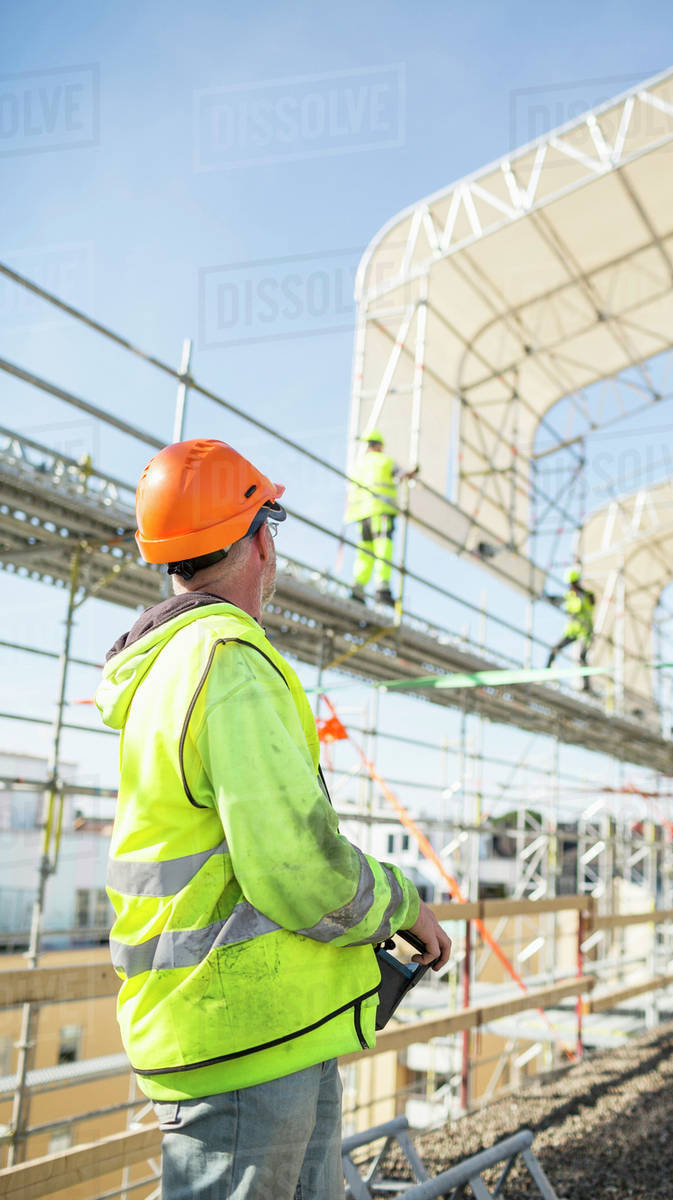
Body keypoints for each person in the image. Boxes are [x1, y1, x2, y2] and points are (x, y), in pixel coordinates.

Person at [95, 438, 450, 1200]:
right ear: (261, 537)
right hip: (240, 1035)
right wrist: (407, 903)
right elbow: (298, 871)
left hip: (257, 1029)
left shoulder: (170, 663)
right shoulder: (228, 660)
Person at [344, 429, 416, 605]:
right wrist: (414, 471)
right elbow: (403, 475)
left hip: (361, 514)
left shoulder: (358, 466)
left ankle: (357, 589)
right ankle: (382, 589)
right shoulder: (385, 461)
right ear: (379, 446)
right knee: (383, 547)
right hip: (380, 511)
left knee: (364, 551)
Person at [545, 567, 596, 693]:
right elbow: (558, 599)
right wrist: (548, 597)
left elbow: (591, 602)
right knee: (554, 649)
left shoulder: (586, 596)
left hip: (585, 631)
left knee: (582, 657)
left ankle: (587, 686)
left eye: (572, 583)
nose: (570, 586)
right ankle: (546, 672)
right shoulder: (570, 596)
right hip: (572, 631)